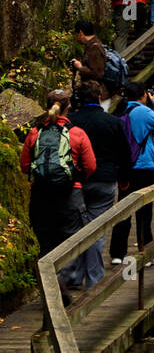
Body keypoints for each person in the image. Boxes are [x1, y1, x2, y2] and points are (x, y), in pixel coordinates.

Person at [20, 89, 97, 303]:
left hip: (40, 196)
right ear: (67, 107)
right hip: (70, 194)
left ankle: (52, 288)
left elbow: (25, 166)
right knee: (70, 240)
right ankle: (62, 282)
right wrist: (77, 177)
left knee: (46, 244)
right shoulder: (77, 133)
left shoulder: (35, 133)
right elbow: (91, 165)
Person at [66, 81, 132, 290]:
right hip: (104, 180)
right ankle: (94, 280)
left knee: (75, 228)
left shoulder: (71, 122)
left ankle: (74, 277)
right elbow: (125, 153)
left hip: (76, 181)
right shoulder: (113, 122)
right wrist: (124, 178)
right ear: (98, 98)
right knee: (97, 230)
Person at [109, 83, 154, 268]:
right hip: (143, 166)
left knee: (124, 208)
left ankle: (117, 253)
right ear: (144, 95)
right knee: (145, 210)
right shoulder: (142, 112)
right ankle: (147, 250)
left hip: (125, 167)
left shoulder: (122, 111)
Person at [72, 19, 107, 91]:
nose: (76, 38)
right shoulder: (91, 45)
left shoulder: (95, 47)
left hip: (96, 93)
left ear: (81, 33)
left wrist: (80, 67)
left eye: (76, 35)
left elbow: (97, 73)